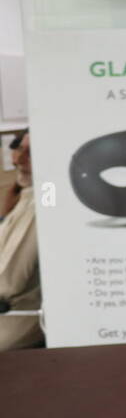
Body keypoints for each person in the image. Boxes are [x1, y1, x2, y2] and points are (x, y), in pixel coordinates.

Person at [0, 129, 42, 350]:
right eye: (19, 149)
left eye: (31, 153)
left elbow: (8, 282)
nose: (18, 160)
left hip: (17, 318)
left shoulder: (44, 199)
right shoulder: (26, 197)